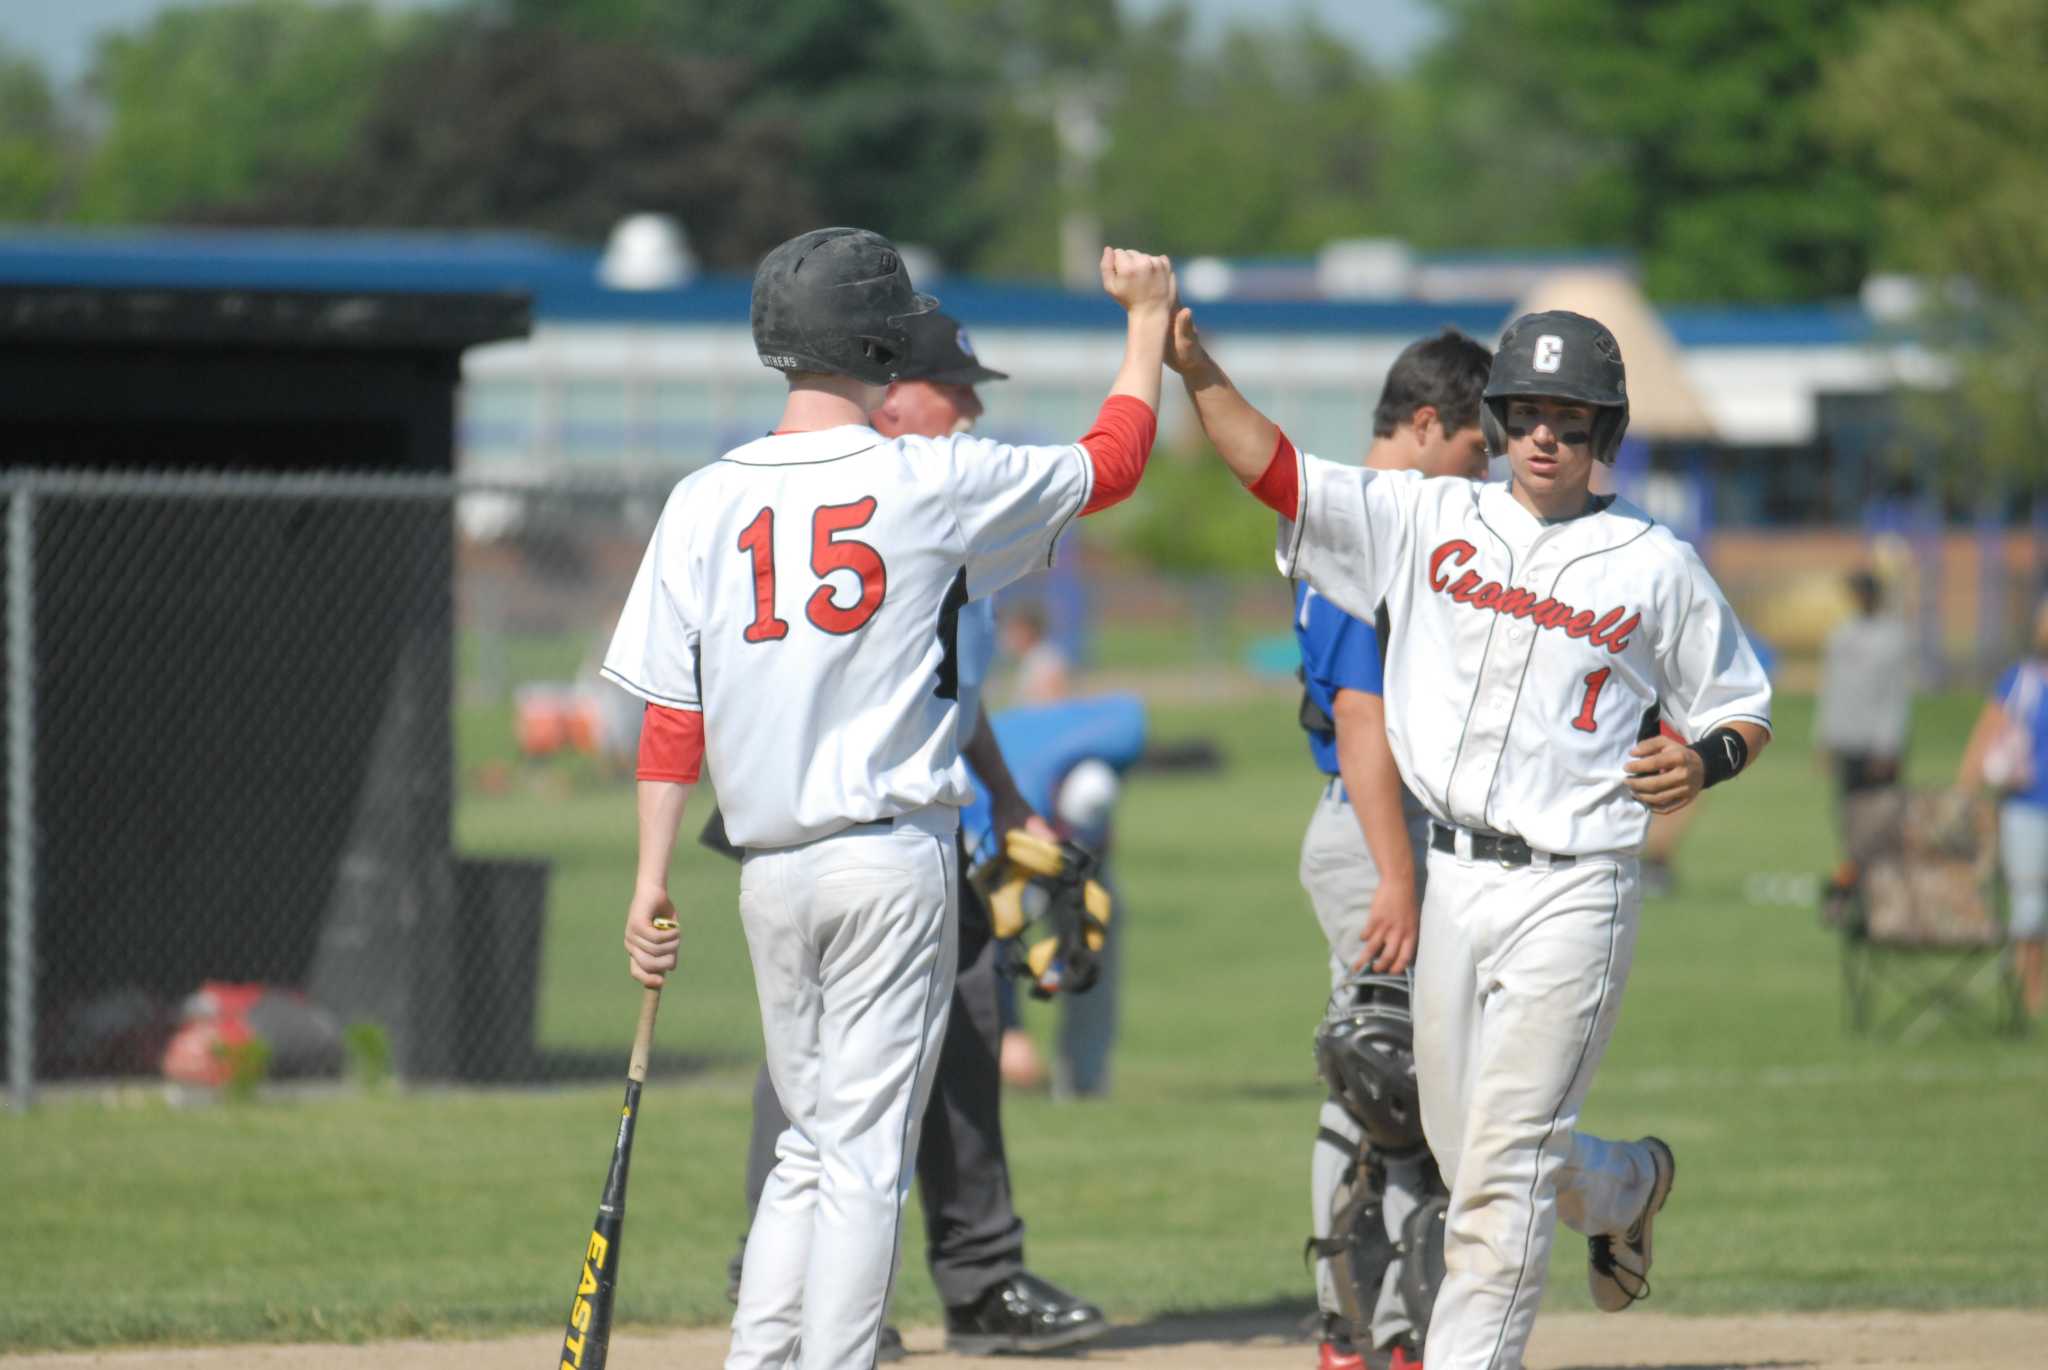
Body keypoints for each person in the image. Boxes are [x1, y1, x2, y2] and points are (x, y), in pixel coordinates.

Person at [603, 227, 1175, 1370]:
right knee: (861, 1155)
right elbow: (1111, 460)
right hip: (887, 856)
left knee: (807, 1152)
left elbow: (672, 718)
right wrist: (1147, 323)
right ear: (880, 339)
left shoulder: (699, 498)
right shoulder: (927, 478)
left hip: (765, 867)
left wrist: (650, 880)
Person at [1168, 306, 1773, 1370]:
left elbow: (1740, 703)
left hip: (1572, 887)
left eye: (1570, 419)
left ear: (1605, 435)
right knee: (1471, 1150)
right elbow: (1277, 473)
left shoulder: (1652, 562)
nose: (1544, 436)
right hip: (1449, 876)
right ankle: (1626, 1185)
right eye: (1525, 413)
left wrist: (1706, 759)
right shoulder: (1428, 518)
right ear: (1494, 422)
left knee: (1496, 1180)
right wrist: (1193, 366)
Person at [722, 308, 1110, 1358]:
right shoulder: (854, 496)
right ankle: (798, 1291)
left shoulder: (954, 500)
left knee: (969, 1022)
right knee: (819, 1093)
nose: (975, 404)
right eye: (956, 385)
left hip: (928, 820)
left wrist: (1005, 798)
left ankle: (978, 1275)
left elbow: (954, 686)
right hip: (833, 819)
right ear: (891, 393)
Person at [1293, 328, 1493, 1370]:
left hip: (1380, 829)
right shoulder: (1359, 531)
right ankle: (1372, 1328)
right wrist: (1397, 874)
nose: (1483, 473)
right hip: (1378, 831)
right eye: (1474, 448)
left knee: (1393, 1085)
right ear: (1423, 425)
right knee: (1388, 1084)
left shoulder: (1360, 520)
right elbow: (1362, 715)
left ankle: (1376, 1326)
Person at [1958, 596, 2048, 1018]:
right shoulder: (2023, 681)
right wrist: (1967, 796)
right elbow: (1985, 736)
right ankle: (2030, 995)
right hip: (2028, 809)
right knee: (2029, 905)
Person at [1816, 569, 1913, 822]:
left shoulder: (1892, 637)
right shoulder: (1842, 634)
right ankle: (1854, 861)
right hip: (1848, 740)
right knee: (1848, 812)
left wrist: (1888, 746)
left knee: (1882, 815)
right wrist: (1825, 739)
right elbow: (1832, 691)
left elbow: (1895, 696)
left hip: (1877, 744)